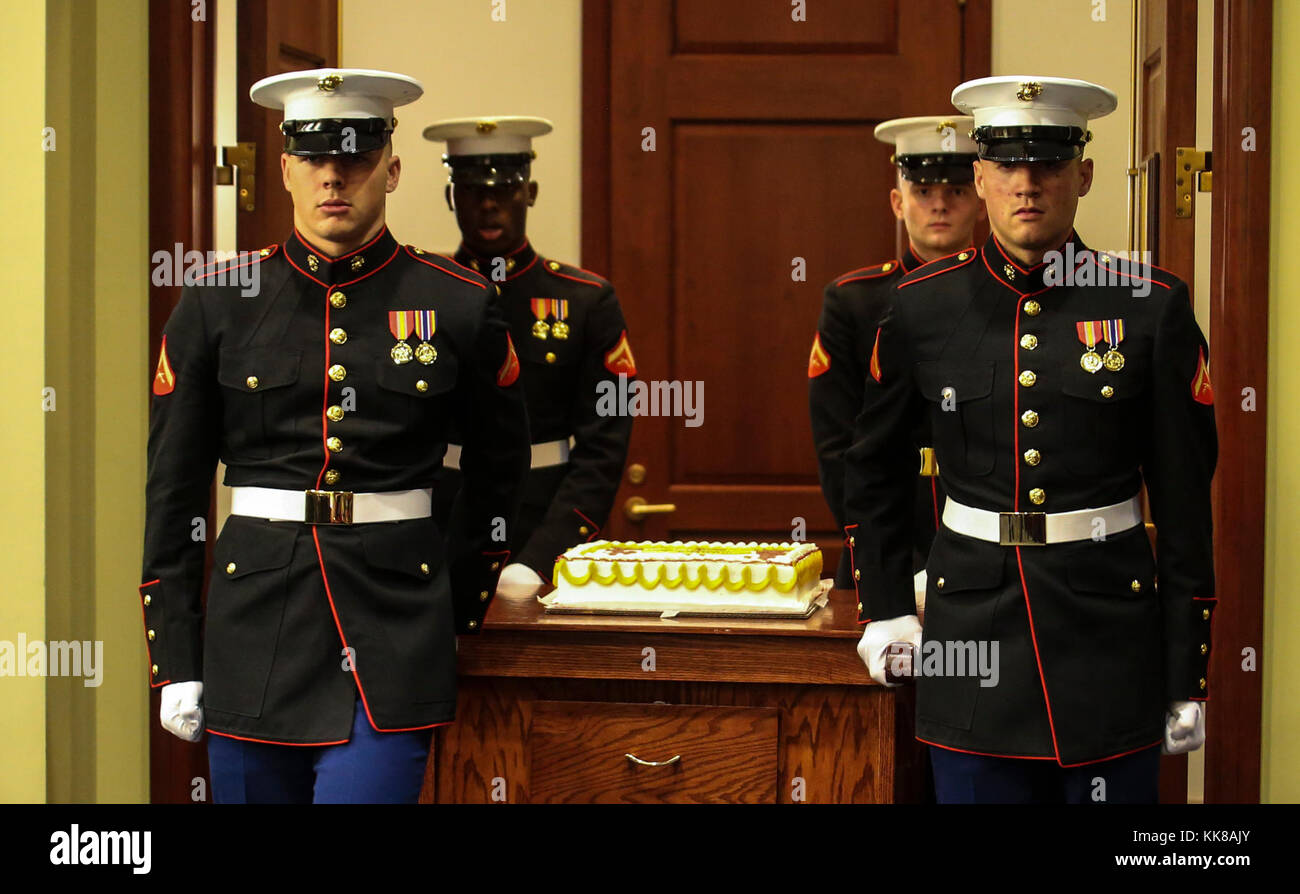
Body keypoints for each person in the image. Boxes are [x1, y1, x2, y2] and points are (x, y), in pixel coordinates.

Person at [139, 69, 530, 803]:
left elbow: (499, 469)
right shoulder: (219, 301)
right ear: (286, 169)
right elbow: (174, 488)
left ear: (392, 169)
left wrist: (454, 603)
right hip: (253, 630)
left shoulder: (458, 303)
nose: (333, 177)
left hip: (394, 629)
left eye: (355, 158)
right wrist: (175, 655)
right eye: (315, 158)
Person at [843, 76, 1216, 803]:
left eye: (1047, 164)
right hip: (971, 642)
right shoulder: (922, 307)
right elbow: (874, 470)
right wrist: (886, 610)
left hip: (1110, 645)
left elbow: (1185, 502)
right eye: (1007, 166)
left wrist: (1185, 673)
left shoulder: (1151, 306)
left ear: (1084, 175)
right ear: (980, 176)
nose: (1027, 184)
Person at [423, 117, 635, 590]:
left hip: (542, 523)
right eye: (471, 190)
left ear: (530, 192)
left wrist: (542, 557)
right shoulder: (424, 293)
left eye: (505, 189)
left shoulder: (586, 300)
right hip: (437, 525)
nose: (489, 204)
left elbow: (604, 447)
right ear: (451, 197)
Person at [809, 116, 984, 593]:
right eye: (923, 191)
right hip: (882, 545)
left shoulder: (1006, 297)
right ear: (897, 203)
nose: (940, 205)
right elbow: (837, 448)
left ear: (980, 199)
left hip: (986, 549)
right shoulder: (854, 301)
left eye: (956, 191)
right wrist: (885, 552)